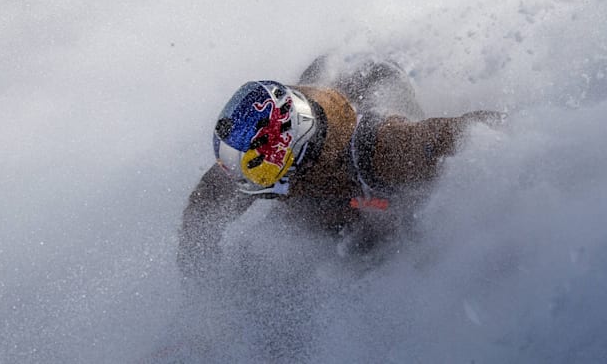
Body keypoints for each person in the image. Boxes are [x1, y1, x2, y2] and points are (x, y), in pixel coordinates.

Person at [177, 57, 504, 277]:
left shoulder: (379, 150)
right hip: (326, 193)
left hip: (372, 188)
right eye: (243, 168)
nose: (248, 183)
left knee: (345, 250)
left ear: (297, 147)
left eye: (259, 172)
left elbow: (454, 134)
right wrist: (198, 276)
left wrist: (520, 136)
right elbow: (210, 199)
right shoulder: (261, 156)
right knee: (260, 259)